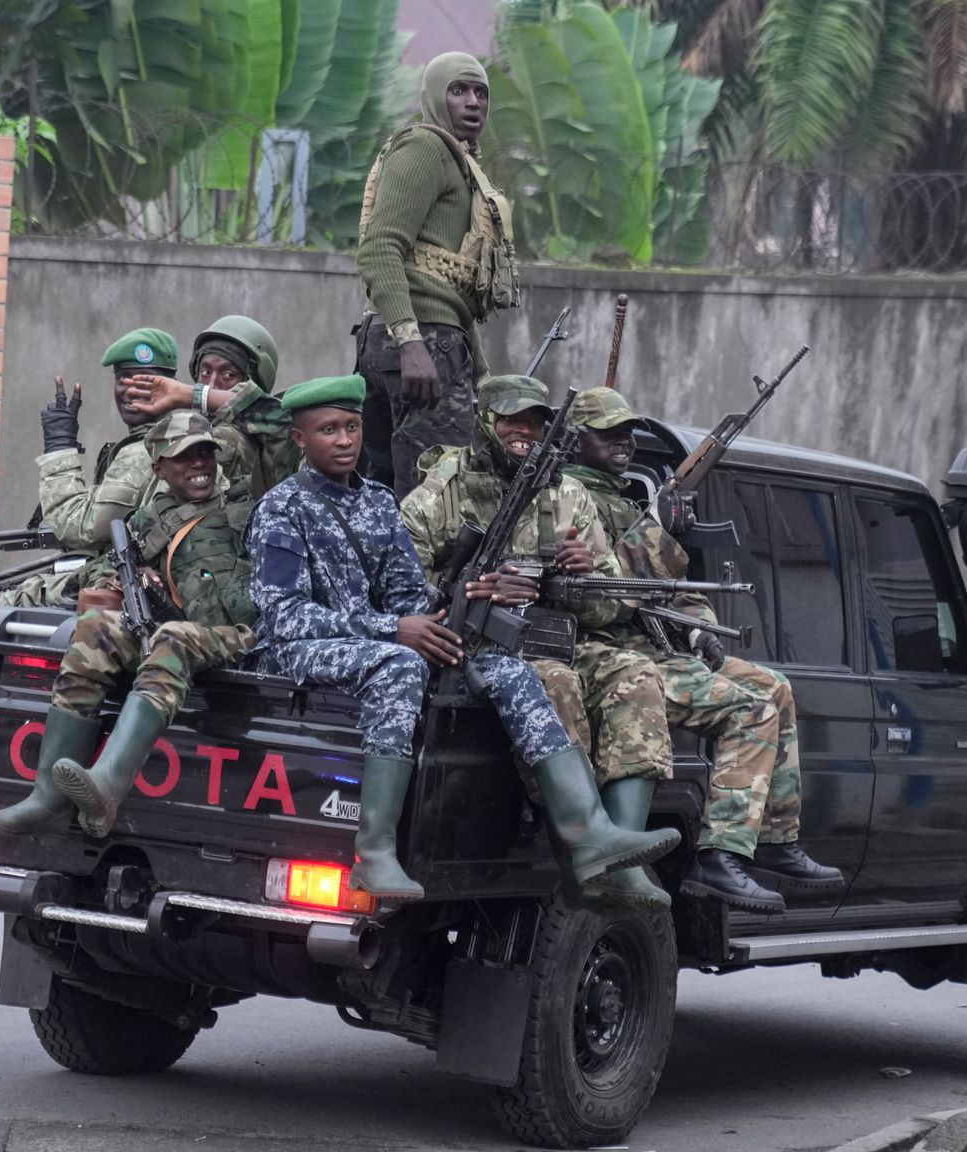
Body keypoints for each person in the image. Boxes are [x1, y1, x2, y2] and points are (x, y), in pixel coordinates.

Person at [249, 375, 679, 900]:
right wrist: (394, 629)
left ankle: (587, 831)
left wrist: (452, 612)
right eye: (328, 430)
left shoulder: (379, 503)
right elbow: (282, 616)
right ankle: (375, 850)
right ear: (300, 439)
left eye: (353, 428)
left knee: (505, 664)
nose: (344, 441)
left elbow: (408, 593)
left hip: (375, 641)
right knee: (402, 665)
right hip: (298, 649)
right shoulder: (282, 507)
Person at [399, 376, 678, 904]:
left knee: (636, 676)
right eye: (512, 421)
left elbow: (614, 603)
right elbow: (397, 583)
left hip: (560, 634)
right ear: (487, 423)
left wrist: (586, 571)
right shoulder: (445, 488)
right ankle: (579, 846)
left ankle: (622, 857)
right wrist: (471, 588)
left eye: (534, 422)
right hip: (481, 642)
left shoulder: (568, 496)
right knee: (556, 684)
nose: (523, 432)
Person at [564, 387, 842, 912]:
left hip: (654, 645)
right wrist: (658, 530)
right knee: (750, 709)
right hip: (605, 651)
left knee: (775, 688)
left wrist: (698, 630)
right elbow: (600, 589)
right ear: (577, 441)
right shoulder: (566, 499)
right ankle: (720, 858)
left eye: (627, 433)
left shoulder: (627, 499)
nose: (623, 443)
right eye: (608, 434)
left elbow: (676, 591)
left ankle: (777, 840)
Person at [0, 410, 258, 838]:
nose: (199, 465)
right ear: (159, 467)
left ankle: (107, 783)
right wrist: (124, 579)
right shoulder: (151, 519)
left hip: (238, 634)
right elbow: (99, 568)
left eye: (206, 454)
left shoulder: (244, 507)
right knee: (96, 630)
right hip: (177, 628)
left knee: (172, 637)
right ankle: (47, 799)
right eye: (185, 458)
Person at [354, 51, 521, 494]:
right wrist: (411, 343)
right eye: (458, 90)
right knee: (435, 496)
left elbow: (453, 290)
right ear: (433, 96)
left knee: (388, 495)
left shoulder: (457, 163)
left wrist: (477, 374)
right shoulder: (425, 148)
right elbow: (379, 248)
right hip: (418, 340)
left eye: (481, 93)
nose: (473, 103)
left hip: (431, 340)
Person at [120, 315, 301, 498]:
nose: (211, 385)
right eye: (205, 372)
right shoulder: (195, 430)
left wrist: (195, 395)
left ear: (252, 385)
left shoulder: (229, 439)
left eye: (229, 375)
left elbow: (282, 420)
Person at [37, 327, 180, 551]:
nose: (131, 391)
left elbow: (78, 527)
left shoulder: (145, 452)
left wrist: (60, 449)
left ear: (173, 387)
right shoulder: (177, 434)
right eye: (123, 378)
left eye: (145, 382)